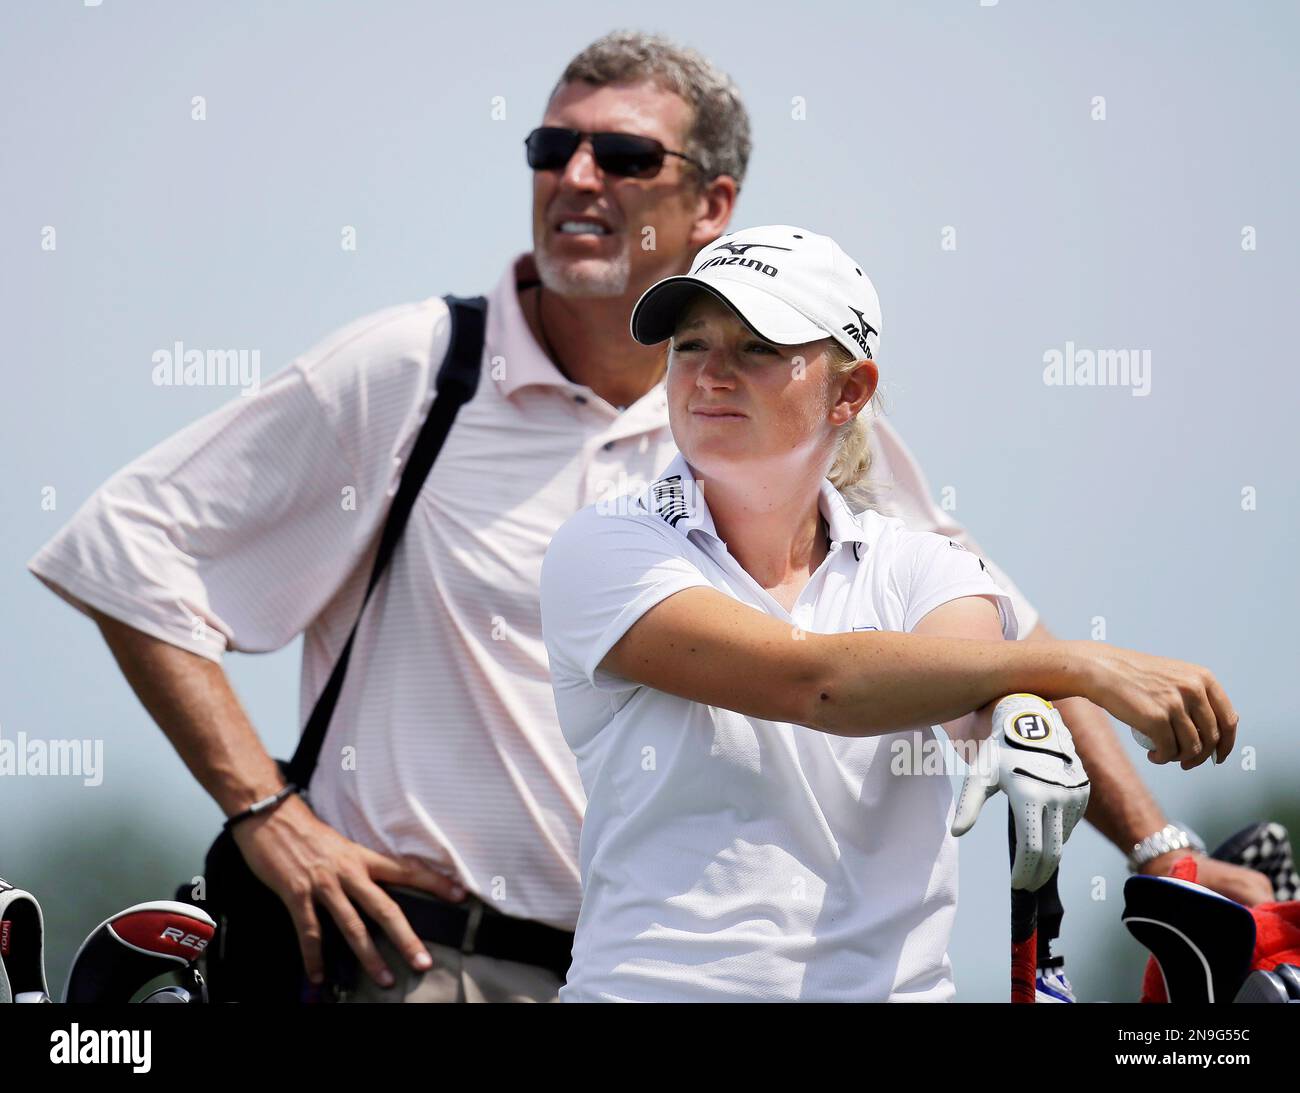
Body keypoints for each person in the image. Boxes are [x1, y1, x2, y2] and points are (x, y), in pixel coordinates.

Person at [25, 31, 1259, 1005]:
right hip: (431, 967)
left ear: (713, 202)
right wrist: (265, 816)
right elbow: (126, 546)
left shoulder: (840, 454)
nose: (572, 178)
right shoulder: (413, 368)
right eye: (550, 147)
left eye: (620, 157)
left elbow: (974, 648)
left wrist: (1161, 855)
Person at [538, 224, 1238, 1002]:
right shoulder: (604, 546)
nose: (710, 374)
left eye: (759, 348)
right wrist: (1083, 667)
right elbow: (818, 683)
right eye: (690, 345)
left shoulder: (923, 566)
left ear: (849, 390)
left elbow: (967, 675)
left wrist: (1019, 710)